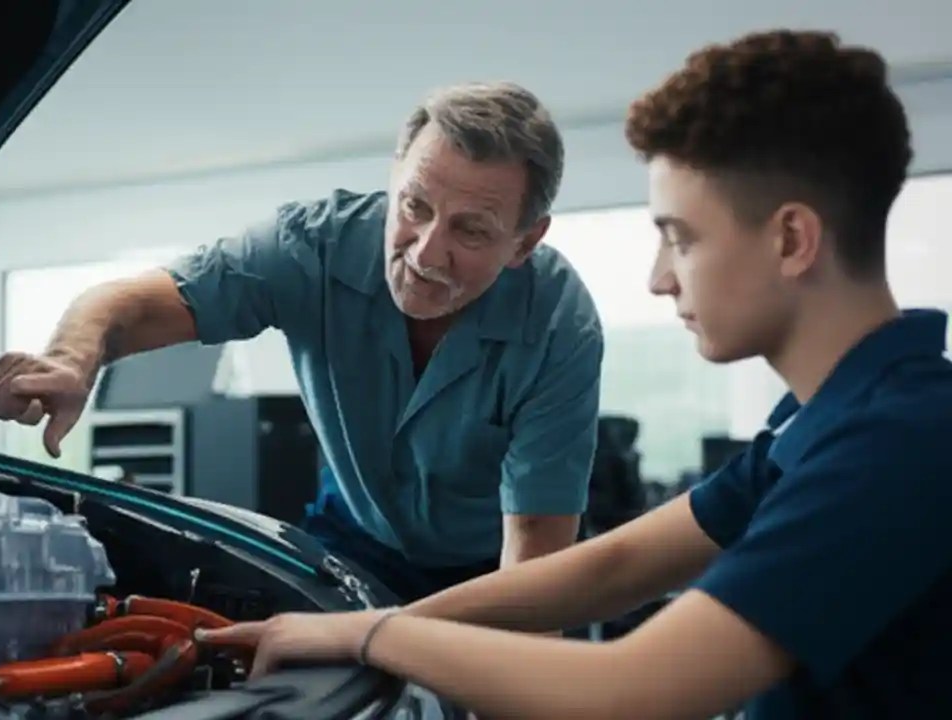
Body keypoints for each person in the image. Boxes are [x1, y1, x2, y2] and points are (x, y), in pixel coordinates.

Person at [197, 29, 952, 720]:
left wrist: (371, 638)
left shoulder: (898, 444)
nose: (660, 279)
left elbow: (626, 689)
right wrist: (348, 622)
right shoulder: (817, 425)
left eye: (679, 239)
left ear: (792, 239)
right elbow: (611, 567)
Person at [0, 81, 605, 602]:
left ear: (525, 242)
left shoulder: (557, 325)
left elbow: (533, 578)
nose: (424, 251)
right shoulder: (311, 247)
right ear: (395, 177)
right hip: (352, 541)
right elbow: (129, 304)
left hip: (489, 567)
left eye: (470, 231)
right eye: (414, 205)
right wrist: (69, 360)